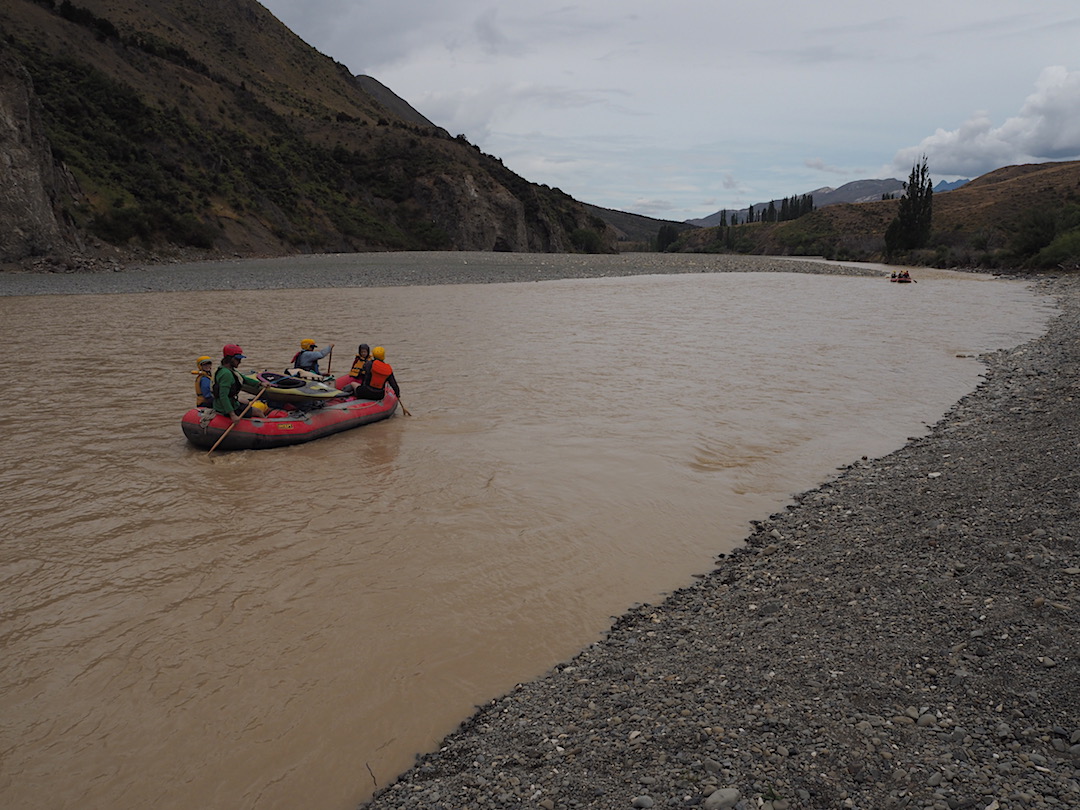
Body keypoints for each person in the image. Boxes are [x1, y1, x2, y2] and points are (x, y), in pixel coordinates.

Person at [213, 344, 249, 424]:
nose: (240, 362)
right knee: (258, 412)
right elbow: (223, 396)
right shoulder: (226, 374)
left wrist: (260, 384)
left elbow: (244, 378)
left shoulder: (228, 370)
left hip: (232, 403)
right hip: (225, 407)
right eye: (237, 359)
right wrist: (232, 414)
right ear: (230, 359)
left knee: (247, 403)